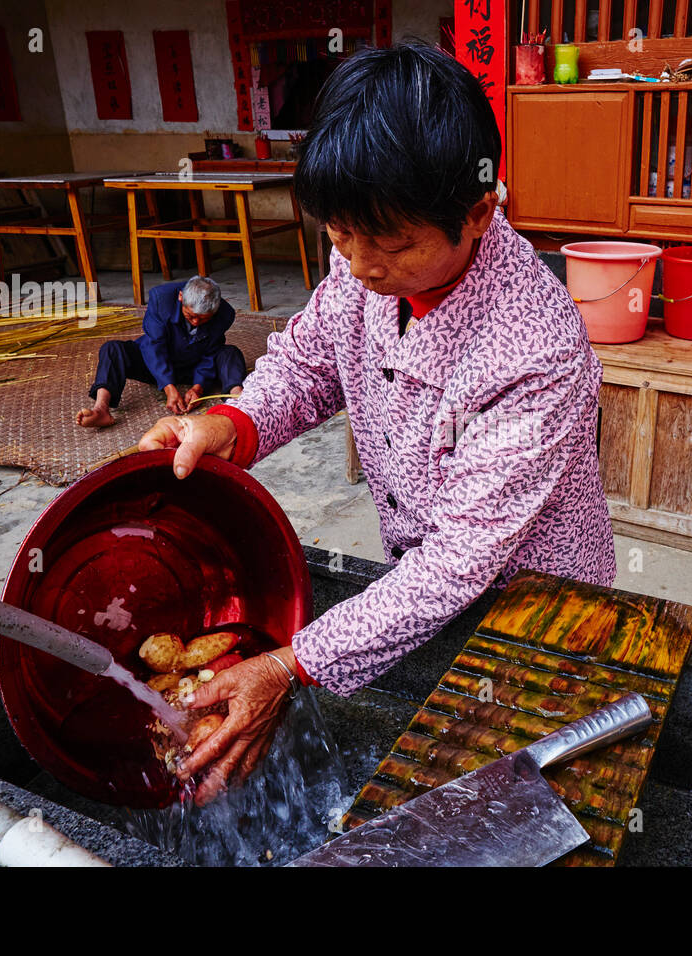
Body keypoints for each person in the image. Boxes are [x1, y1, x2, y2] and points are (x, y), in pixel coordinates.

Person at [139, 42, 617, 803]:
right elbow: (310, 363)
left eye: (391, 245)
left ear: (479, 212)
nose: (359, 265)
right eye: (338, 236)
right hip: (418, 571)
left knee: (514, 793)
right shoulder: (364, 254)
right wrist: (234, 423)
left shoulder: (535, 348)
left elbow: (462, 558)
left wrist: (288, 664)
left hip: (533, 596)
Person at [76, 275, 246, 428]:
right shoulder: (160, 299)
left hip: (194, 364)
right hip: (156, 365)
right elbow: (154, 345)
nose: (195, 322)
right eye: (190, 316)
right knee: (112, 349)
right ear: (181, 297)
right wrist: (168, 387)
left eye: (203, 319)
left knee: (230, 353)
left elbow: (211, 352)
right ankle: (101, 409)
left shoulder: (225, 313)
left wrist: (198, 387)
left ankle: (240, 403)